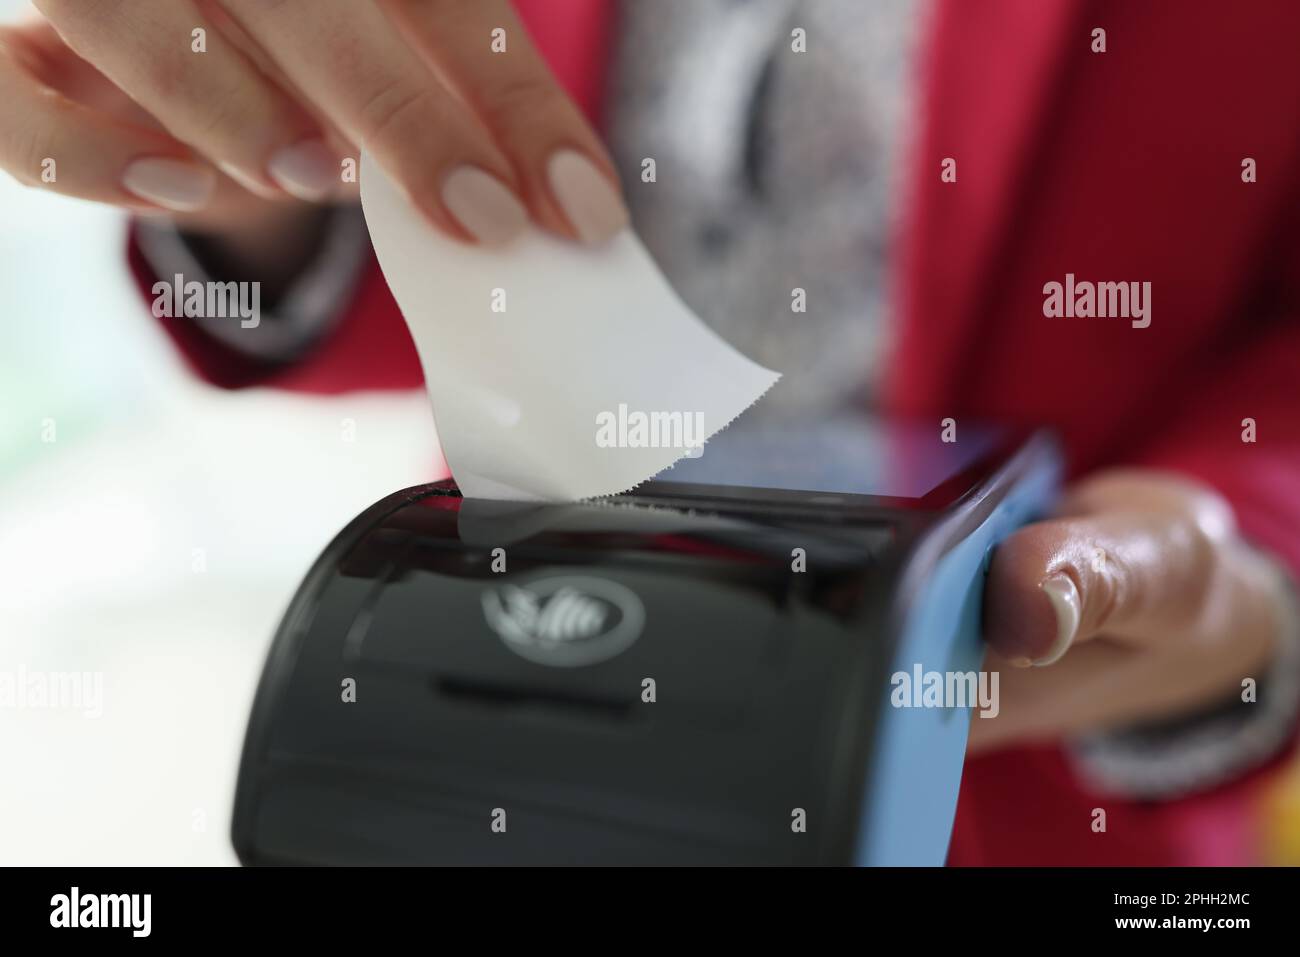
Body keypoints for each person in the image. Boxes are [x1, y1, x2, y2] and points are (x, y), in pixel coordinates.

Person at [3, 0, 1298, 865]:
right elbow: (411, 238)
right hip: (518, 709)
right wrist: (254, 166)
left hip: (1041, 791)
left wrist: (1253, 570)